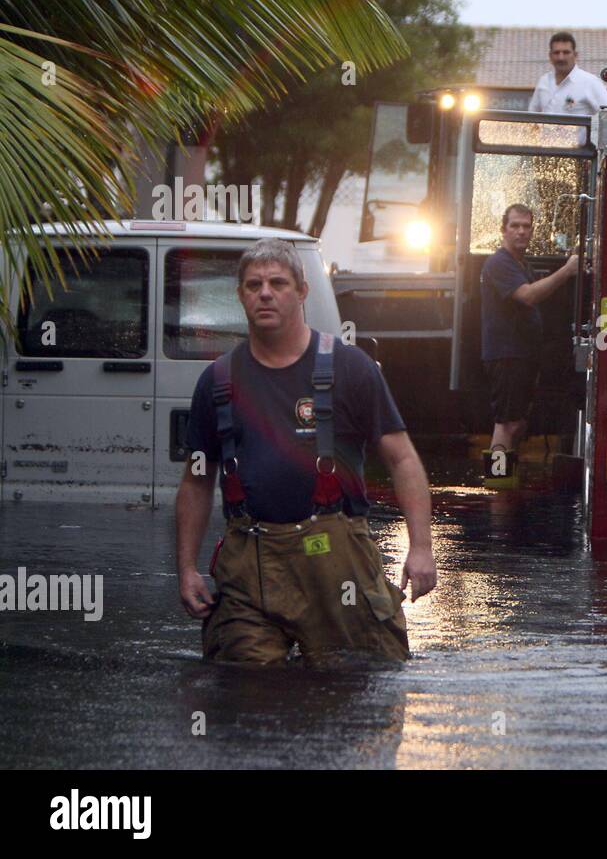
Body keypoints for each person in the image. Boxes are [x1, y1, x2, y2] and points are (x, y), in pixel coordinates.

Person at [175, 238, 437, 666]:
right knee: (243, 685)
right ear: (239, 294)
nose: (265, 292)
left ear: (302, 292)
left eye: (278, 283)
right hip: (249, 565)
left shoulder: (351, 368)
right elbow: (196, 480)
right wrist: (185, 569)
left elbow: (402, 459)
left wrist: (421, 547)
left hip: (337, 564)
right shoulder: (217, 381)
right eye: (253, 284)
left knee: (358, 685)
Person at [480, 204, 578, 454]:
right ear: (503, 230)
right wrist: (567, 271)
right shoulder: (498, 263)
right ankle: (498, 483)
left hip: (522, 356)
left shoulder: (520, 264)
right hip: (507, 356)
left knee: (518, 423)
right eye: (515, 226)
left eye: (526, 226)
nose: (521, 231)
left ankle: (507, 480)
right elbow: (528, 296)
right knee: (506, 425)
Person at [528, 31, 607, 116]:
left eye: (566, 52)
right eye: (556, 53)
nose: (561, 58)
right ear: (550, 56)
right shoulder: (544, 81)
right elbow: (532, 116)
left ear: (575, 55)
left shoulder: (590, 82)